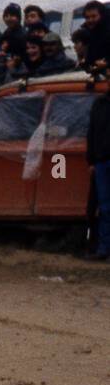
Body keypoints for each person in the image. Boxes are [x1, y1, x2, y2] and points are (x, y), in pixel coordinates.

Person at [87, 83, 110, 259]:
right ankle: (104, 248)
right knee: (104, 207)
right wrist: (92, 160)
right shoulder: (99, 103)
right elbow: (92, 131)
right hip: (102, 160)